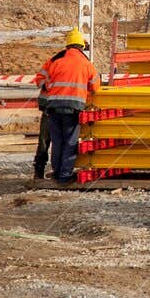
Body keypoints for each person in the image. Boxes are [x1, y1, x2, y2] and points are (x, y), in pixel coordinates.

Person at [34, 28, 100, 185]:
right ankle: (64, 176)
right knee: (70, 142)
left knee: (57, 141)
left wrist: (50, 87)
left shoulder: (56, 60)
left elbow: (40, 79)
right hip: (73, 108)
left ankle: (56, 172)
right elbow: (95, 86)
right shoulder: (86, 64)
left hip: (53, 107)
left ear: (68, 45)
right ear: (82, 46)